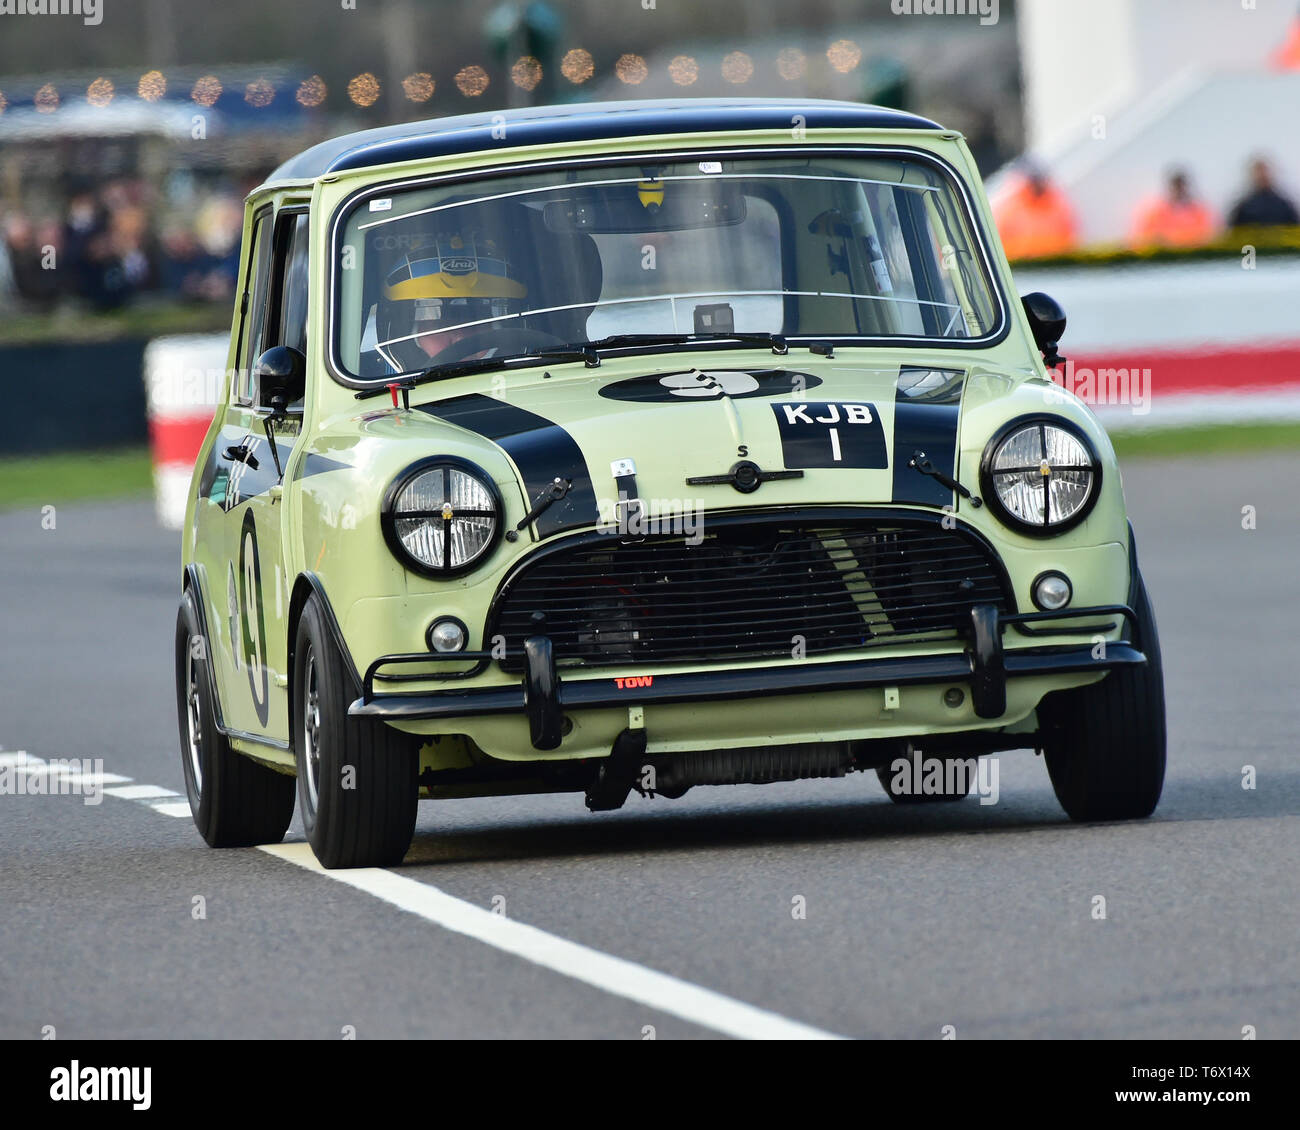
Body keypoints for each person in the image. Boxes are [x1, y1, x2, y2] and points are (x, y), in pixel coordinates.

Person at [376, 229, 529, 372]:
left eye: (474, 320)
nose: (460, 338)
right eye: (440, 324)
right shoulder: (371, 389)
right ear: (404, 331)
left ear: (502, 326)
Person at [991, 162, 1078, 260]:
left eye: (1039, 180)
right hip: (1021, 267)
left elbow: (1069, 235)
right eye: (1034, 180)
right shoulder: (1009, 207)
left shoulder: (1057, 203)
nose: (1038, 184)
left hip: (1051, 266)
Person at [1130, 169, 1216, 249]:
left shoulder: (1199, 211)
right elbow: (1146, 239)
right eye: (1176, 186)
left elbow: (1206, 236)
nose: (1180, 190)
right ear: (1170, 187)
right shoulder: (1156, 212)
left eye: (1182, 186)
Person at [1227, 157, 1300, 228]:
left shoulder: (1284, 206)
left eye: (1265, 171)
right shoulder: (1244, 207)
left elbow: (1294, 228)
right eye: (1259, 171)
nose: (1262, 175)